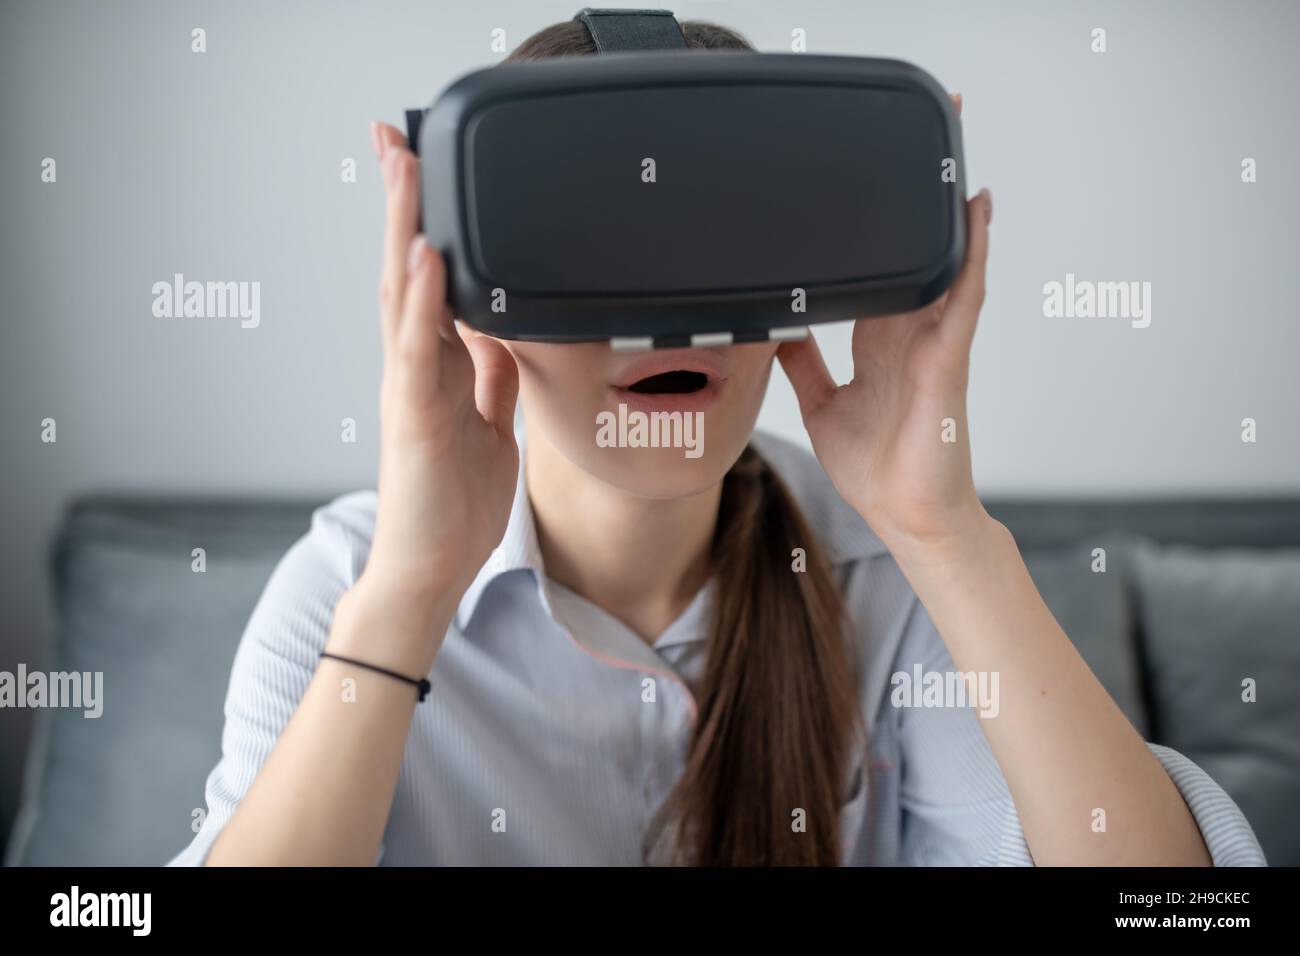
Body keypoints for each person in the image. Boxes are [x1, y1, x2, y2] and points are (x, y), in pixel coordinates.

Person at [168, 19, 1265, 866]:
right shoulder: (345, 589)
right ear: (473, 297)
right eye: (595, 244)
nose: (670, 319)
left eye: (717, 241)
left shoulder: (889, 586)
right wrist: (407, 593)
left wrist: (943, 531)